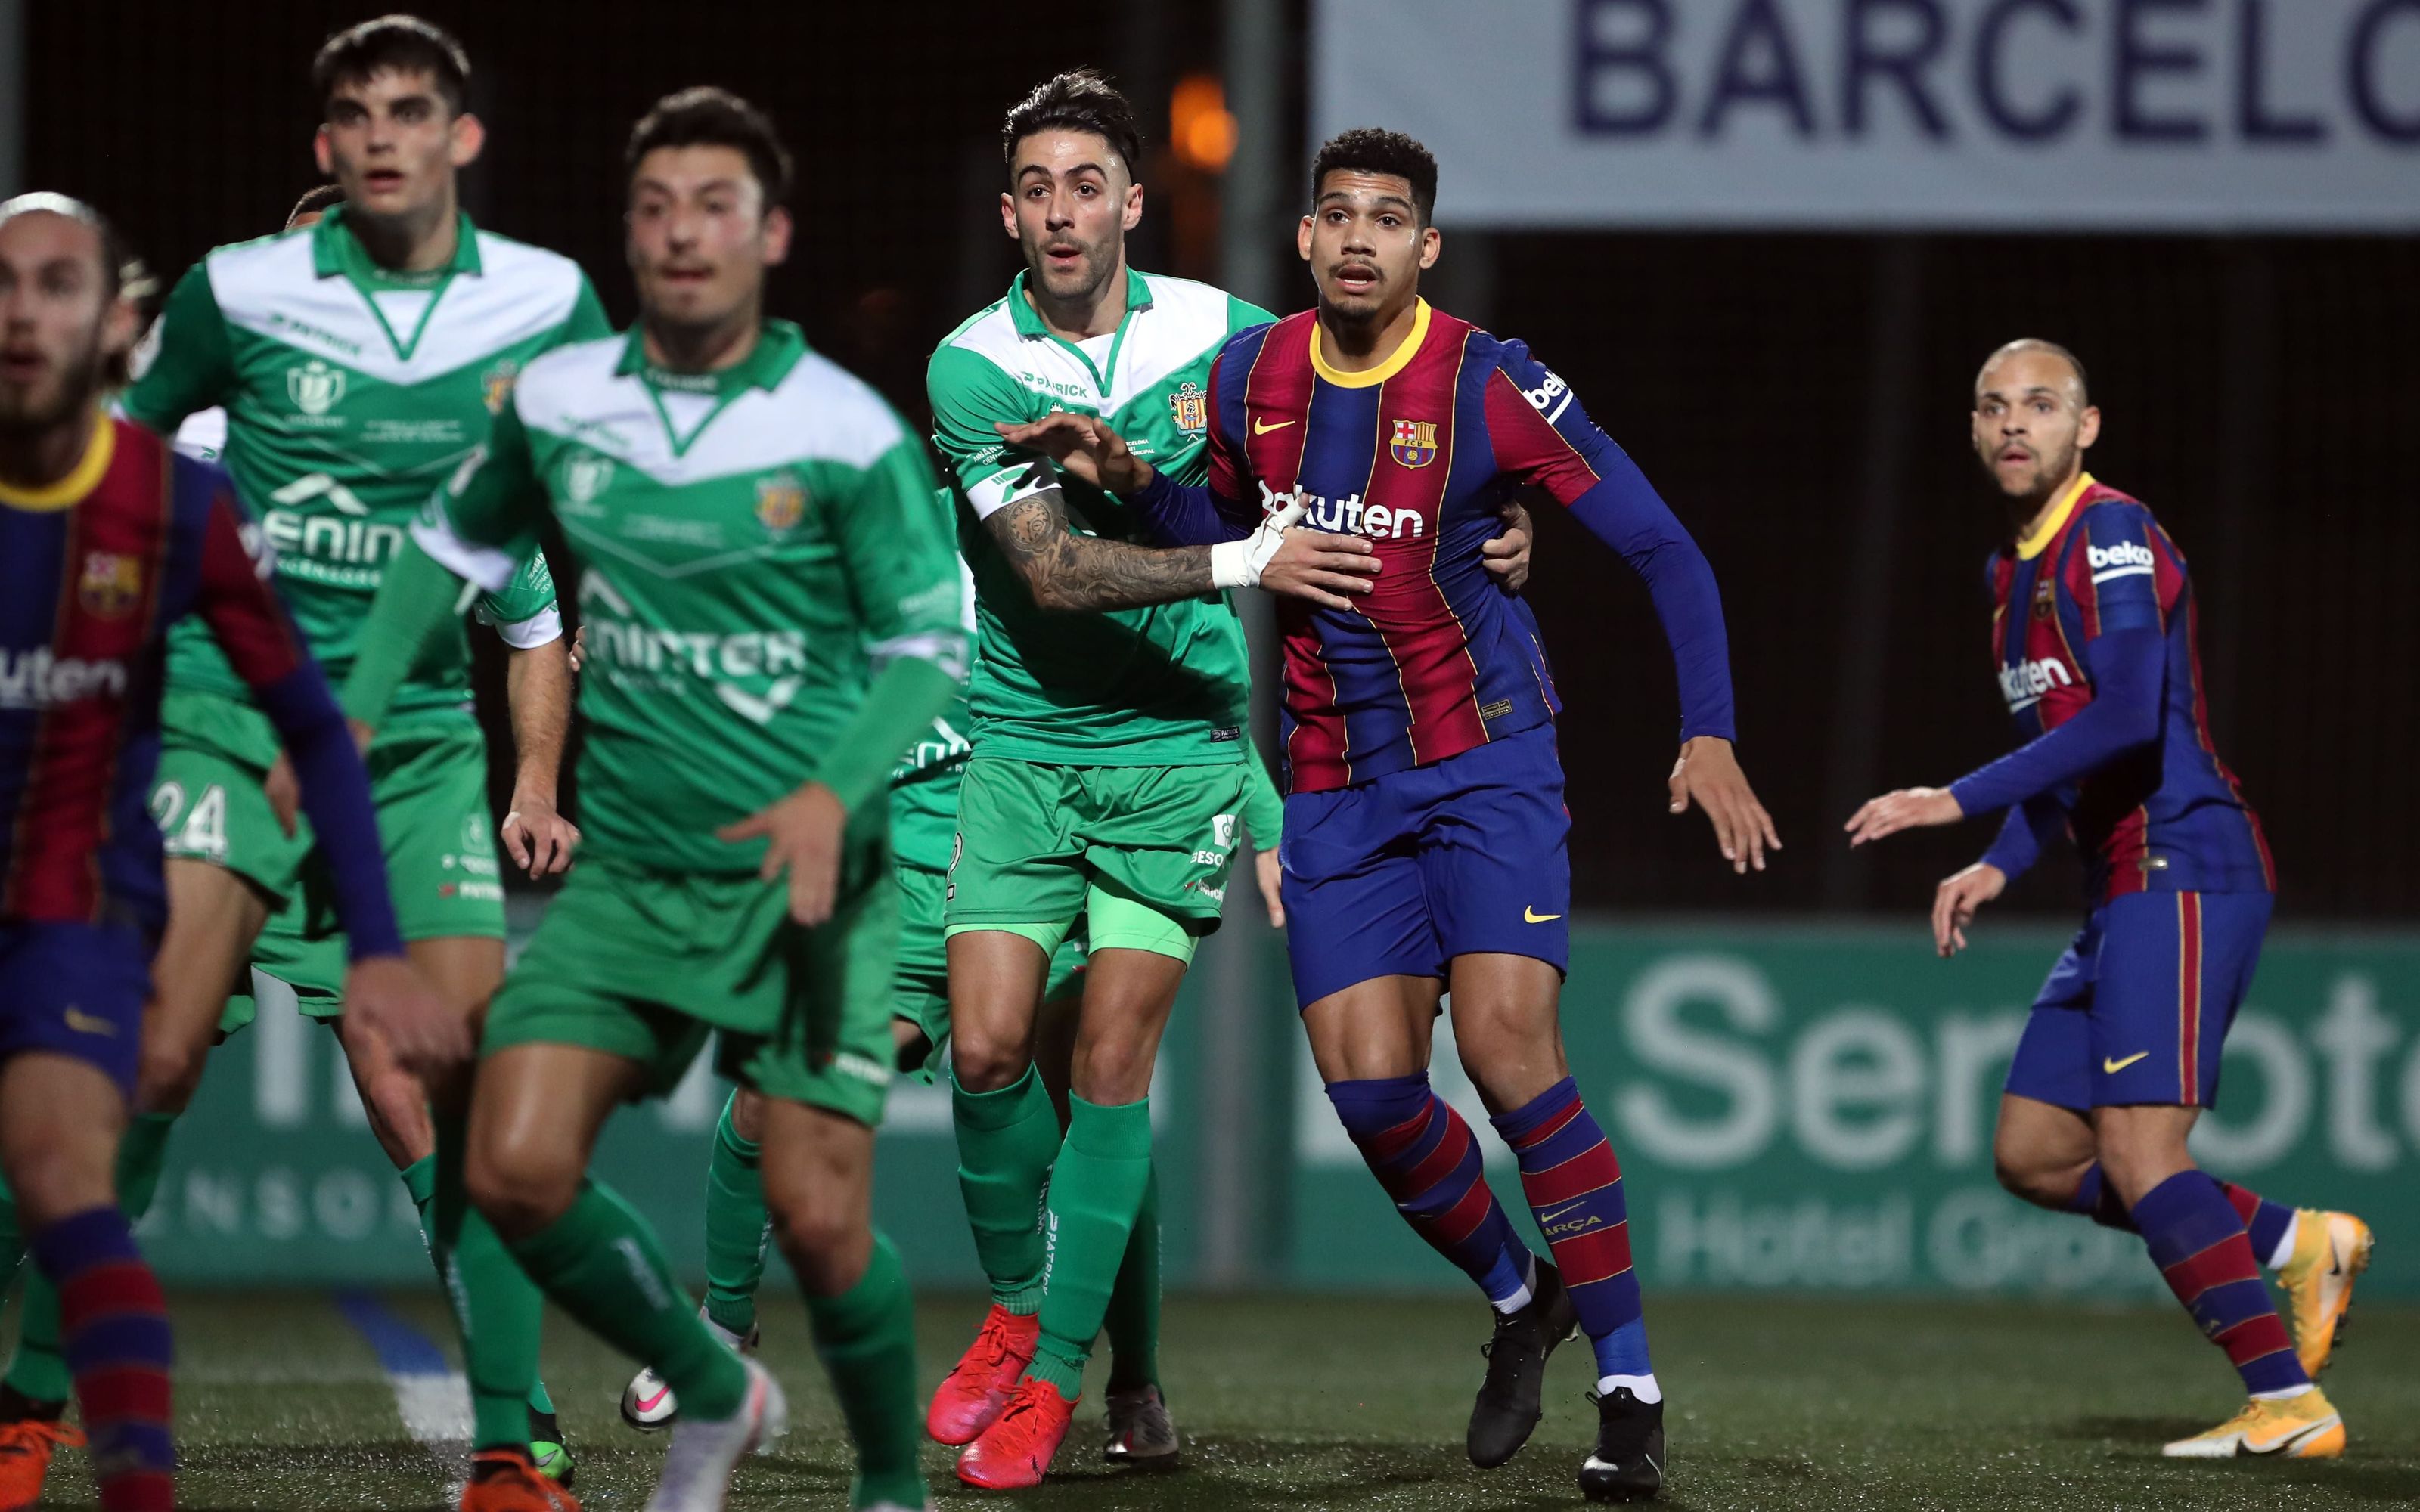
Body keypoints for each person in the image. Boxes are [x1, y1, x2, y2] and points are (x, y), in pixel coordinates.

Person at [1005, 126, 1779, 1504]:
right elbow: (1223, 517)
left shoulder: (1491, 381)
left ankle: (1630, 1388)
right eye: (1338, 215)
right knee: (1369, 1090)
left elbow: (1664, 545)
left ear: (1427, 247)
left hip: (1488, 763)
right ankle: (1514, 1297)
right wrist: (1126, 478)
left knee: (1508, 1054)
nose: (1360, 237)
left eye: (1391, 218)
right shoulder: (1252, 374)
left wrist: (1707, 732)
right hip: (1333, 785)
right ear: (1304, 241)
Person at [349, 86, 962, 1512]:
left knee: (817, 1221)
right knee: (508, 1163)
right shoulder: (563, 400)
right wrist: (353, 704)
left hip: (815, 885)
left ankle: (889, 1484)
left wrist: (833, 791)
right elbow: (444, 553)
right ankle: (711, 1379)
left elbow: (928, 646)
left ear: (773, 235)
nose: (684, 235)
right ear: (628, 234)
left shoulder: (842, 430)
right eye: (657, 208)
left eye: (717, 208)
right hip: (636, 880)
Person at [925, 73, 1534, 1492]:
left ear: (1133, 204)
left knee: (1110, 1063)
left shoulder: (1235, 342)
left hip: (1180, 760)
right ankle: (1024, 1307)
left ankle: (1062, 1382)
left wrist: (1504, 534)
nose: (1062, 211)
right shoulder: (970, 366)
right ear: (1009, 212)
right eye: (1037, 188)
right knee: (985, 1054)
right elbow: (1055, 574)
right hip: (1019, 754)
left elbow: (1381, 474)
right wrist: (1237, 559)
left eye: (1089, 186)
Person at [614, 556, 1292, 1480]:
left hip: (1041, 876)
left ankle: (1131, 1383)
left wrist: (1266, 817)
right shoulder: (890, 544)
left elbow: (1176, 692)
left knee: (1092, 1103)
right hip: (893, 906)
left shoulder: (1066, 555)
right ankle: (722, 1325)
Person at [0, 191, 459, 1512]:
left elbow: (327, 719)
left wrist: (381, 935)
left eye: (58, 286)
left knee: (89, 1144)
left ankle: (513, 1426)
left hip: (146, 862)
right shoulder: (182, 439)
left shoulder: (193, 499)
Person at [1845, 339, 2366, 1461]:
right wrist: (1996, 860)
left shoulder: (2110, 531)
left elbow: (2130, 717)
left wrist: (1952, 797)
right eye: (1992, 407)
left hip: (2182, 862)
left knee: (2142, 1155)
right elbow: (2070, 753)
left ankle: (2288, 1403)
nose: (2013, 424)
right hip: (2117, 881)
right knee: (2033, 1153)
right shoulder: (2007, 575)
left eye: (2040, 405)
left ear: (2087, 427)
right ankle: (2297, 1240)